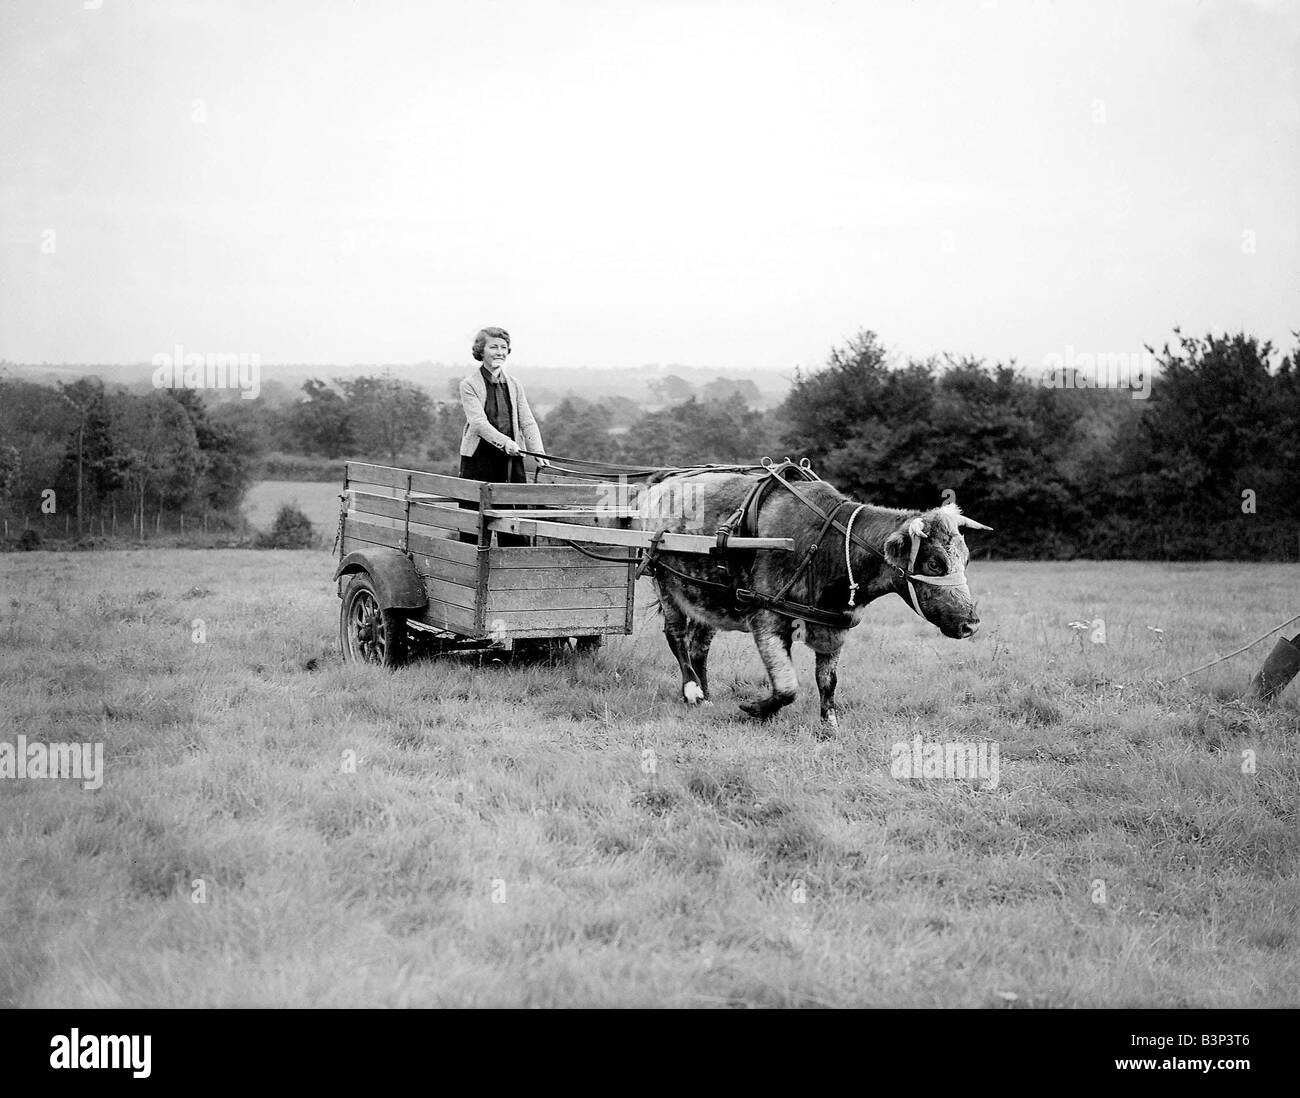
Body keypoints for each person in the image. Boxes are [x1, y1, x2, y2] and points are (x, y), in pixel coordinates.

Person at [457, 326, 548, 545]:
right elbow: (478, 423)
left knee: (515, 518)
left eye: (504, 347)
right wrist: (505, 442)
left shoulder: (515, 385)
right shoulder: (469, 385)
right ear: (481, 350)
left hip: (510, 460)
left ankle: (514, 570)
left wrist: (538, 451)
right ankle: (471, 569)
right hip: (479, 460)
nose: (499, 352)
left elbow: (527, 420)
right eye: (493, 347)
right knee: (475, 522)